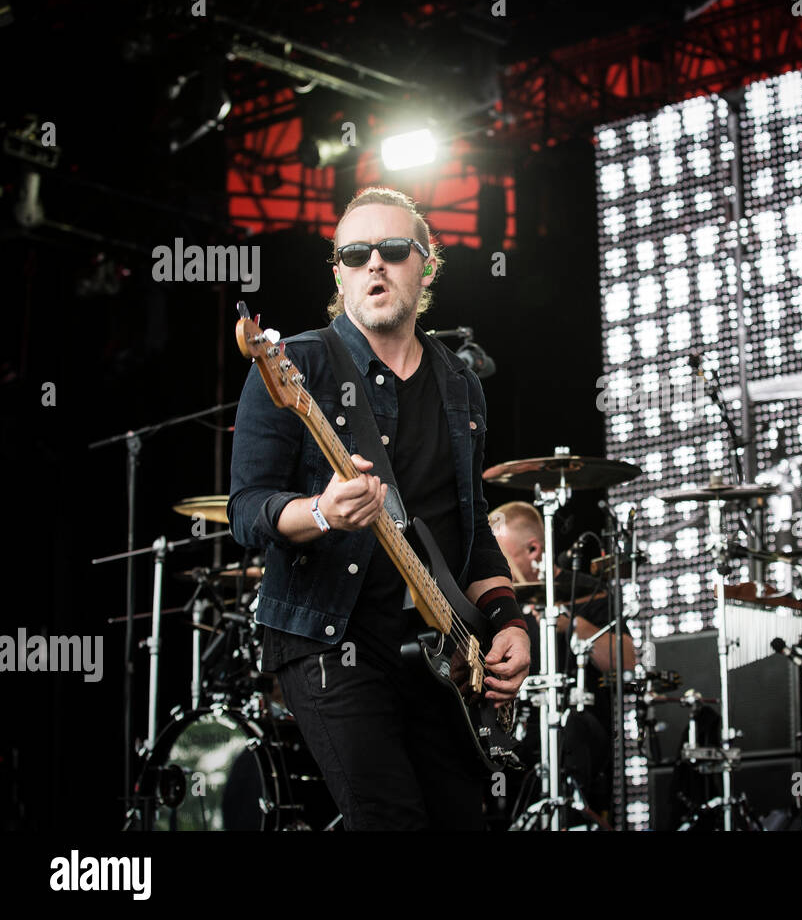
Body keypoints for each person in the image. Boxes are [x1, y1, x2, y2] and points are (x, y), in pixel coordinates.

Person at [228, 186, 530, 830]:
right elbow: (247, 510)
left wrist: (509, 621)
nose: (375, 264)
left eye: (393, 250)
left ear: (426, 265)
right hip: (330, 640)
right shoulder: (292, 365)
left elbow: (471, 529)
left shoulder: (460, 385)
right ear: (338, 271)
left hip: (441, 655)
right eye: (356, 252)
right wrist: (321, 513)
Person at [489, 501, 635, 816]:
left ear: (533, 550)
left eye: (501, 558)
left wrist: (568, 623)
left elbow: (627, 660)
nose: (494, 569)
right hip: (518, 742)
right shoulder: (501, 604)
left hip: (583, 742)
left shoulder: (588, 592)